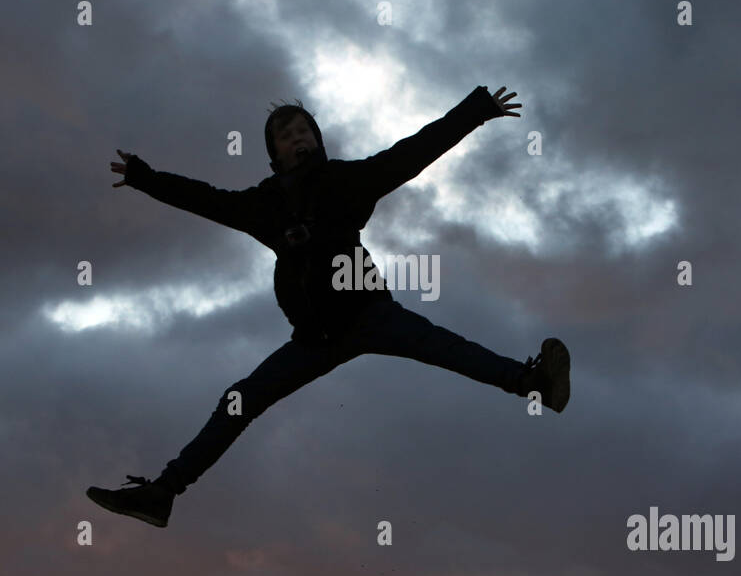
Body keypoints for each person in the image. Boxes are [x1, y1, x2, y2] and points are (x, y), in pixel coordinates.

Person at [86, 85, 570, 527]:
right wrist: (145, 179)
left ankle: (534, 384)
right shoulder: (265, 205)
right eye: (285, 133)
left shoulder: (347, 182)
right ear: (273, 152)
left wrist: (476, 111)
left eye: (304, 130)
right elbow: (207, 200)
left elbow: (412, 153)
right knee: (239, 400)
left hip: (371, 315)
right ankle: (162, 493)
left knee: (447, 348)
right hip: (313, 339)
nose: (296, 137)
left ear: (316, 141)